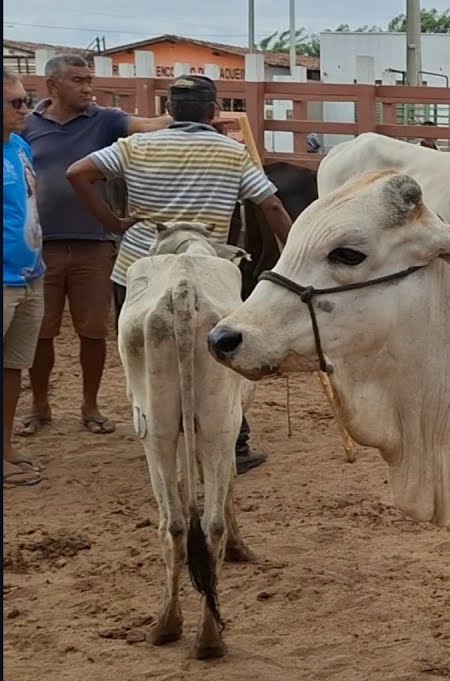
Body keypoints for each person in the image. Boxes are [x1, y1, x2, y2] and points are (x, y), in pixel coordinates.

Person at [65, 74, 294, 474]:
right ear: (214, 111)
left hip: (141, 269)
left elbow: (77, 173)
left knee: (146, 361)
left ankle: (159, 440)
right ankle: (234, 445)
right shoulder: (232, 153)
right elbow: (271, 206)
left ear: (169, 110)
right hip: (209, 271)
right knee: (221, 361)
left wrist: (112, 222)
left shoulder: (135, 146)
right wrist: (293, 256)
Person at [15, 54, 175, 440]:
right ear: (52, 85)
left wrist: (185, 113)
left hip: (94, 244)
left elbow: (147, 126)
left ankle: (90, 405)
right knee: (40, 332)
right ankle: (39, 406)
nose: (88, 87)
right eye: (78, 80)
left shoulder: (106, 120)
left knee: (92, 332)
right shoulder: (28, 124)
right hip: (40, 247)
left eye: (90, 79)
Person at [3, 69, 46, 487]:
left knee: (13, 366)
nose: (25, 110)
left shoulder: (19, 147)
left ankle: (5, 448)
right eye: (16, 103)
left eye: (26, 100)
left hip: (29, 275)